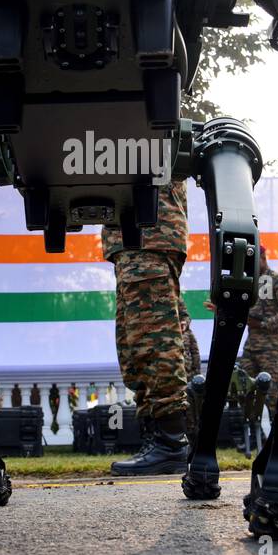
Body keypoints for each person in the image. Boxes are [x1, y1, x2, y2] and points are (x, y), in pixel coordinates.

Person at [101, 180, 190, 475]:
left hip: (148, 233)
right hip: (134, 237)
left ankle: (171, 442)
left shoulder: (137, 135)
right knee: (133, 347)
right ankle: (158, 438)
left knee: (153, 342)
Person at [235, 246, 278, 423]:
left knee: (273, 396)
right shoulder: (249, 283)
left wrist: (263, 324)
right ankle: (253, 434)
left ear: (263, 258)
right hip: (252, 347)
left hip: (273, 349)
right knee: (243, 390)